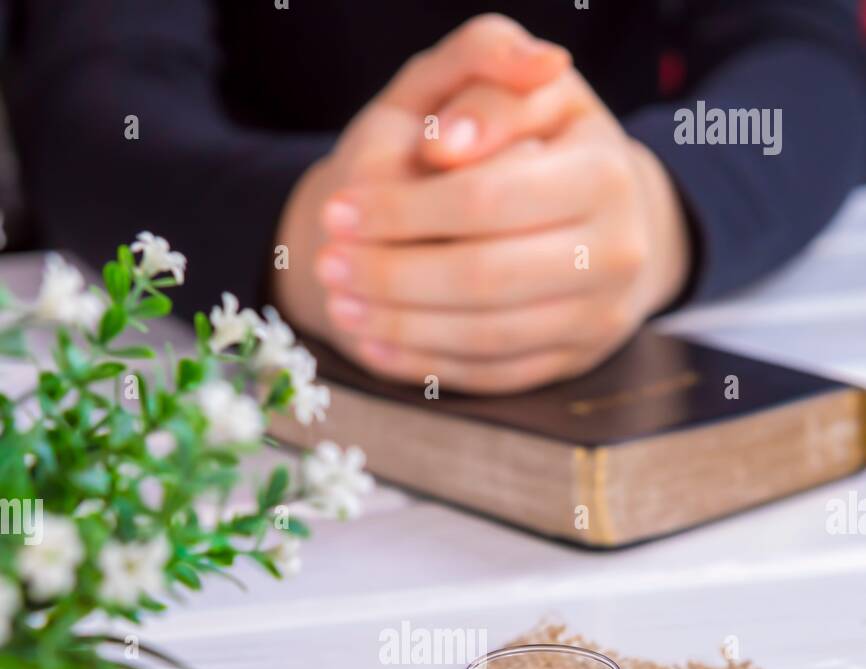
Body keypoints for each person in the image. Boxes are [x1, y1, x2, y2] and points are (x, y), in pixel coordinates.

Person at [4, 2, 865, 393]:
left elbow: (811, 66)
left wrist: (655, 203)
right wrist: (307, 230)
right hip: (248, 343)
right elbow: (98, 95)